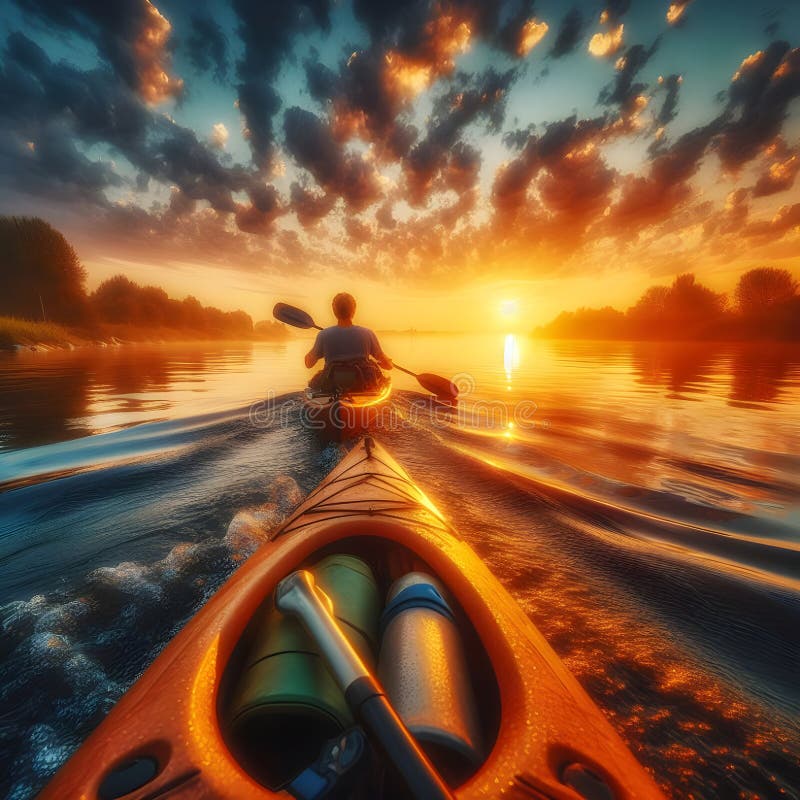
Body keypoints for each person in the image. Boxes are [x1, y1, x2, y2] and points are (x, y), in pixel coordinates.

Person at [305, 293, 392, 393]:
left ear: (334, 310)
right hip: (362, 384)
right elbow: (388, 365)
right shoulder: (368, 333)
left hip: (333, 385)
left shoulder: (323, 335)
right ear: (354, 310)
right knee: (383, 378)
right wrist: (388, 363)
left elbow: (308, 364)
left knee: (315, 384)